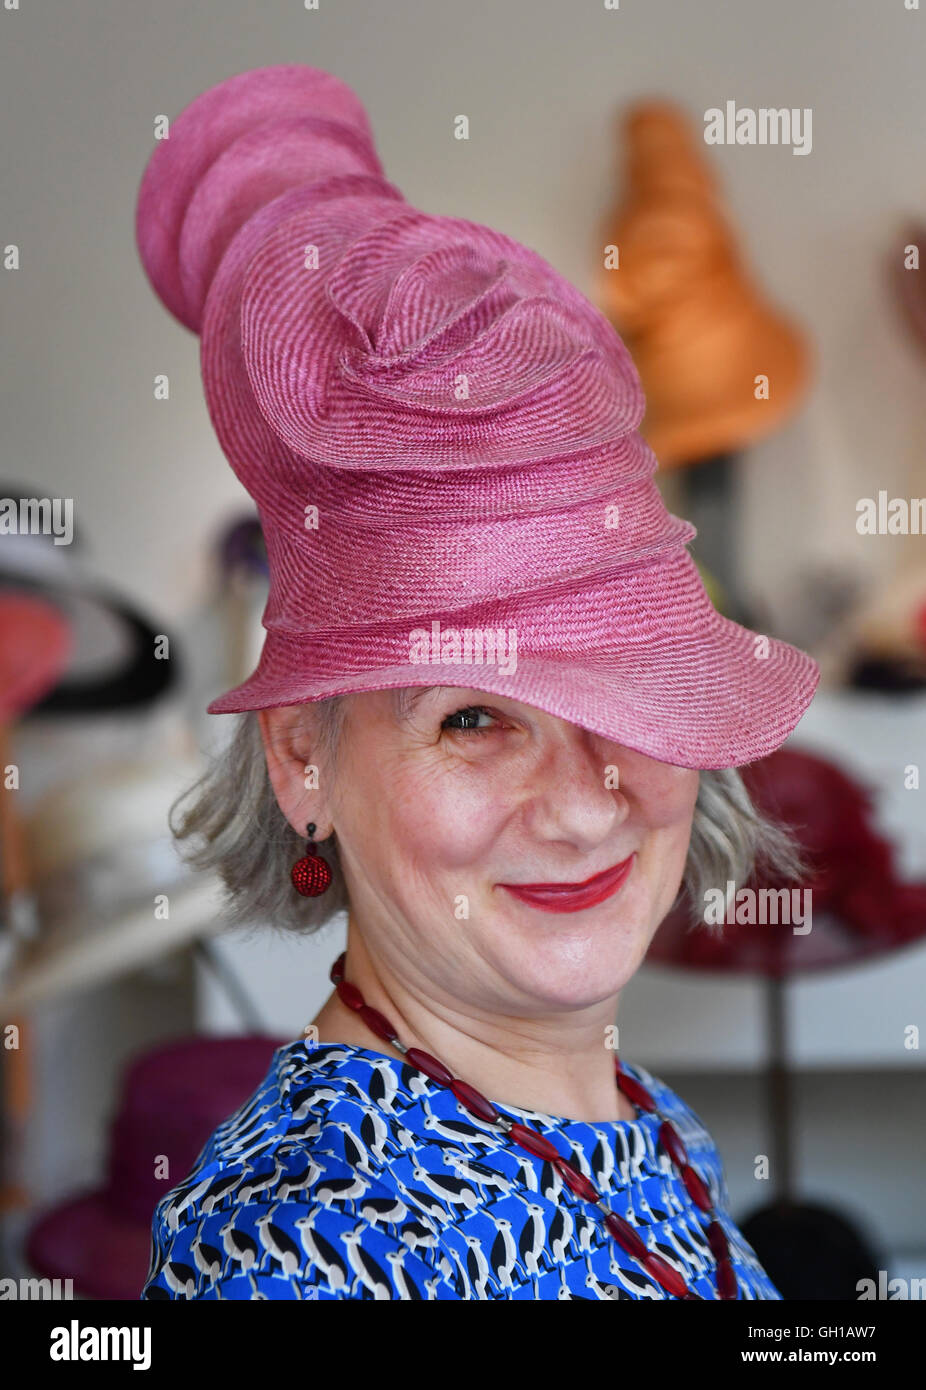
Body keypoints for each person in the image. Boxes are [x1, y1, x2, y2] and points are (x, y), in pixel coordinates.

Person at [135, 64, 819, 1300]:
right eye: (470, 717)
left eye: (619, 685)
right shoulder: (306, 1246)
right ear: (303, 758)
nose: (581, 800)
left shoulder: (643, 1121)